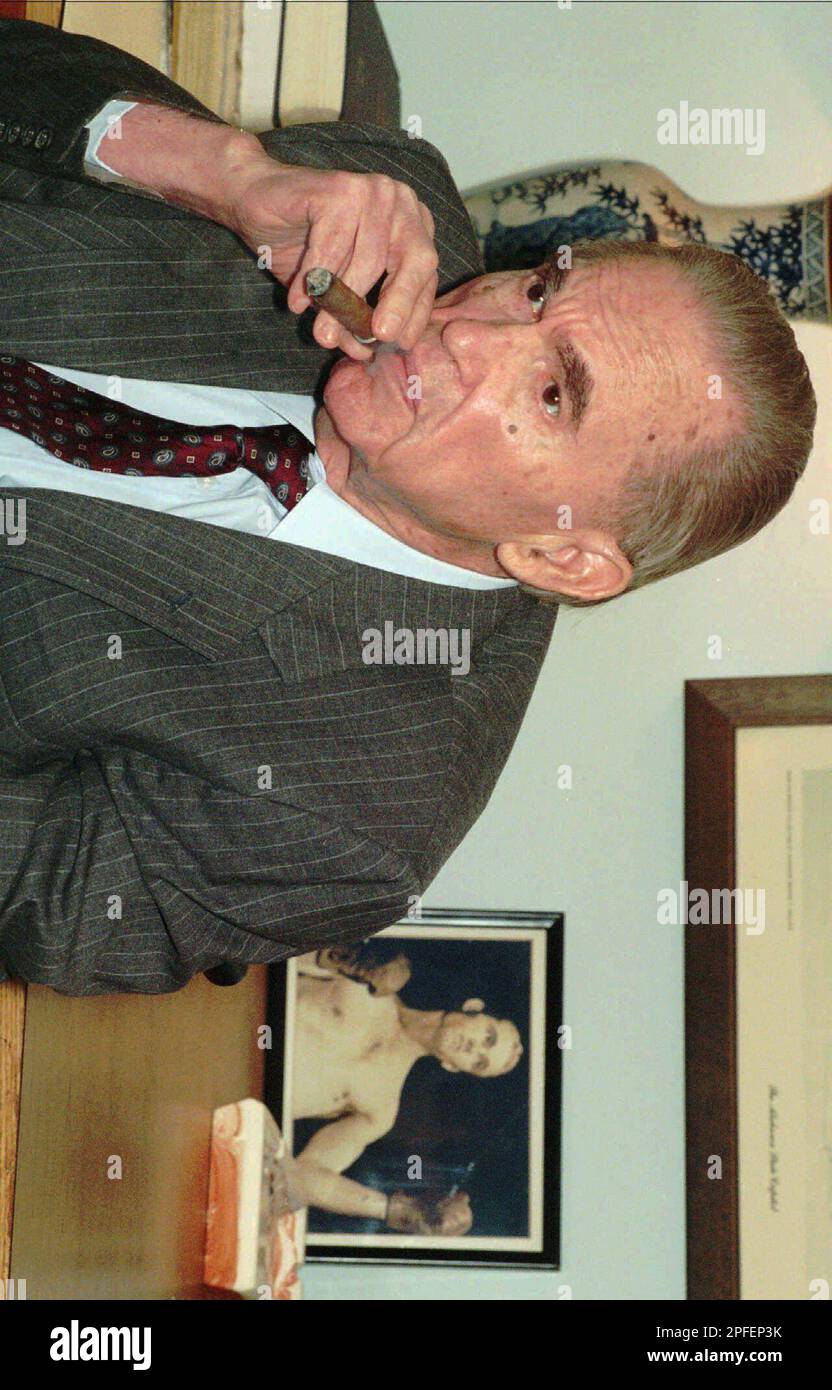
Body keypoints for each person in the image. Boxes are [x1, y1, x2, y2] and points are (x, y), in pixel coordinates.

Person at [0, 20, 817, 995]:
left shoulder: (358, 808)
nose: (464, 329)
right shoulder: (393, 219)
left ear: (563, 560)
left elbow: (32, 902)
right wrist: (213, 167)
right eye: (534, 290)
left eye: (552, 392)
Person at [284, 944, 522, 1236]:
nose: (475, 1049)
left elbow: (301, 1178)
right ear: (472, 1008)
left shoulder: (380, 1108)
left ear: (454, 1067)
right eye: (488, 1037)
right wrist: (341, 957)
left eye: (479, 1062)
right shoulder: (364, 982)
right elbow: (272, 960)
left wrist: (403, 1212)